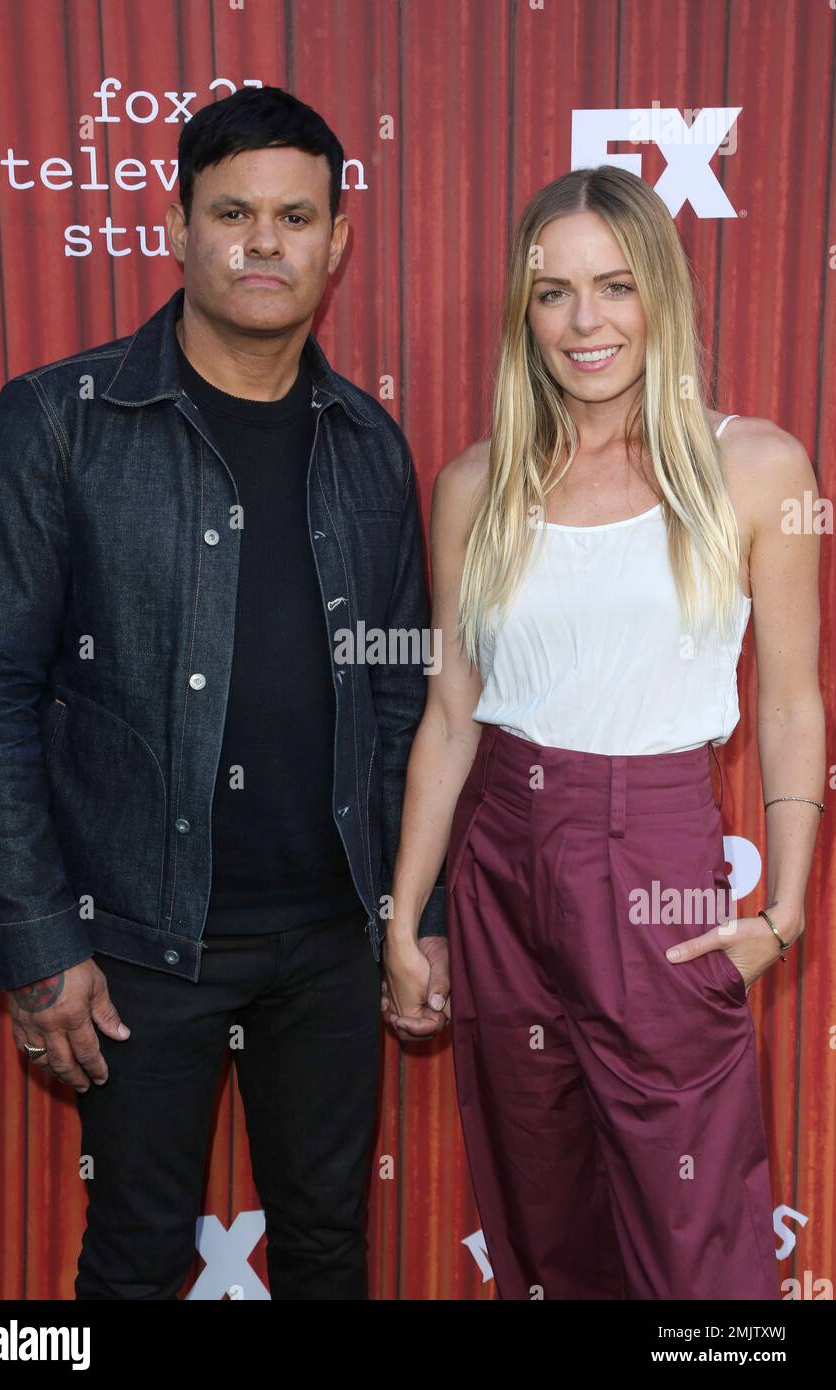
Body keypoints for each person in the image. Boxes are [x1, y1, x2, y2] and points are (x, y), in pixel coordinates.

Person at [0, 85, 446, 1300]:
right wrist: (39, 942)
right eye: (232, 211)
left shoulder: (370, 444)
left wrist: (403, 913)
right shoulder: (58, 421)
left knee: (328, 1247)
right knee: (134, 1258)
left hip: (327, 939)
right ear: (175, 226)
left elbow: (397, 702)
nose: (264, 240)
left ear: (339, 239)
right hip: (137, 940)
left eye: (293, 215)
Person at [381, 165, 825, 1299]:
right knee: (540, 1208)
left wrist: (784, 908)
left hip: (654, 855)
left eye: (616, 287)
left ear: (661, 298)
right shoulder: (475, 484)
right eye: (554, 292)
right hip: (498, 864)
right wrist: (406, 915)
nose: (587, 322)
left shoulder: (755, 468)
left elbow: (788, 701)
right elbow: (448, 717)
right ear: (522, 313)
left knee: (694, 1227)